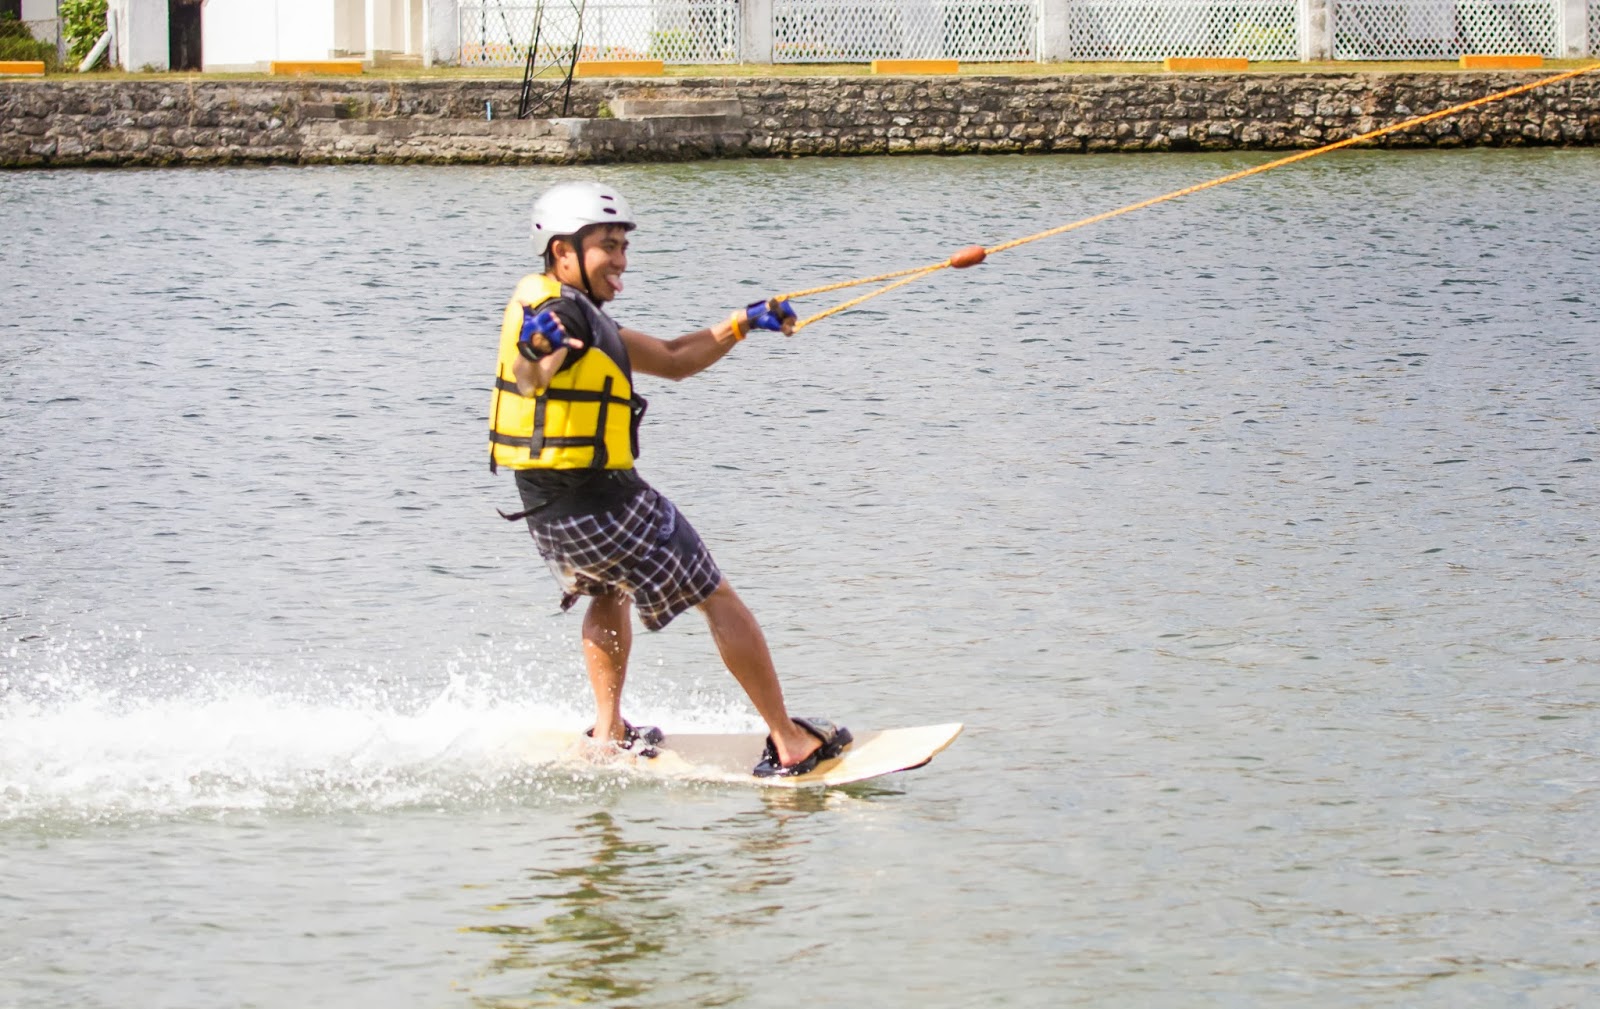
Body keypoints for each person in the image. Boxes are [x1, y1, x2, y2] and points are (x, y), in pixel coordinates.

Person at [488, 180, 851, 777]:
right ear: (562, 251)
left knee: (608, 590)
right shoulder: (559, 317)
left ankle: (608, 733)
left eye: (624, 246)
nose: (622, 261)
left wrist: (741, 323)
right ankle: (790, 743)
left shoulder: (573, 314)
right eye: (608, 246)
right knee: (717, 598)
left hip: (548, 511)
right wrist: (534, 351)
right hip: (606, 501)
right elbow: (532, 376)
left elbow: (675, 359)